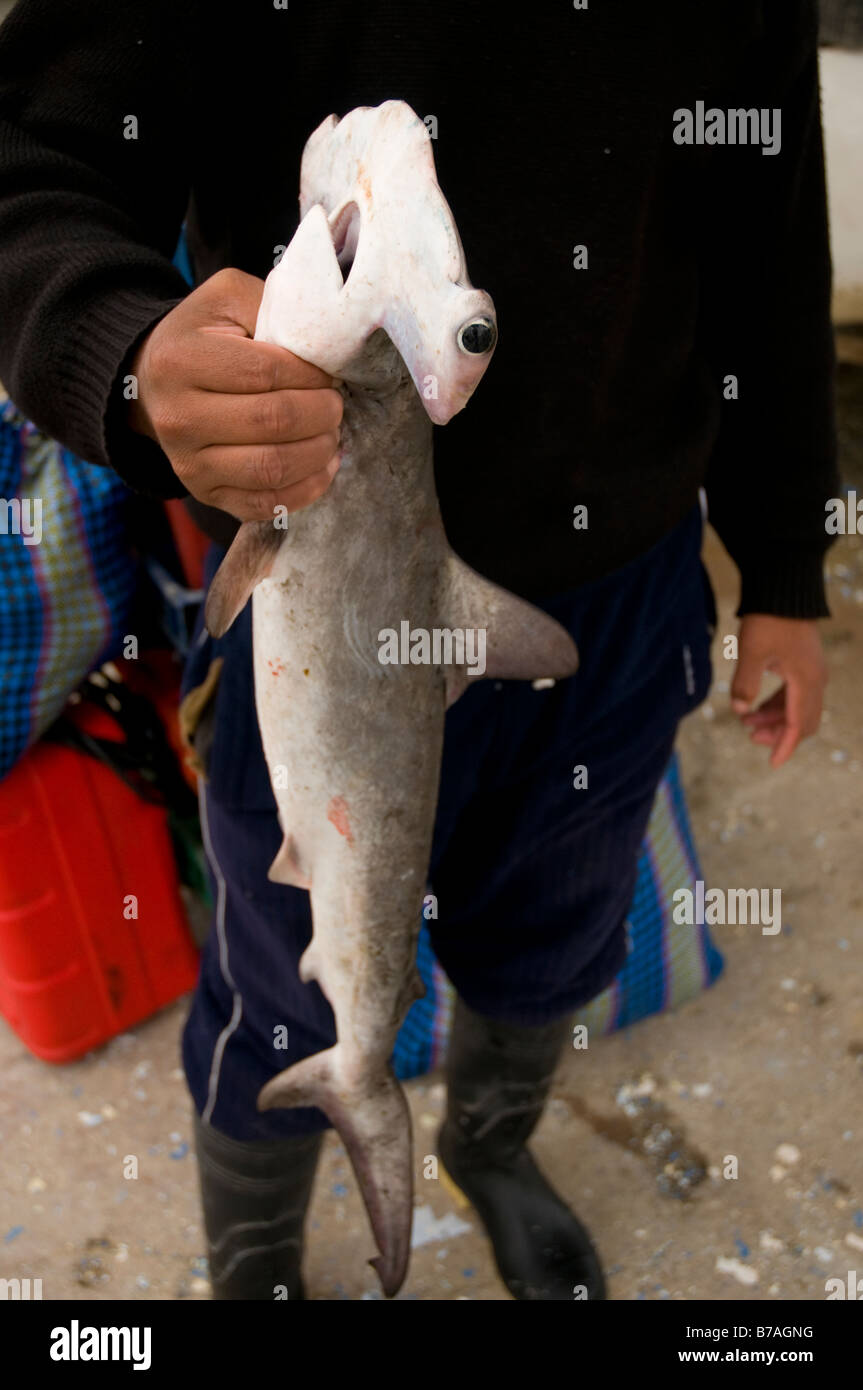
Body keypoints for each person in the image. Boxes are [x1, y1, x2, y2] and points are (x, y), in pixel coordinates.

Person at [0, 0, 837, 1300]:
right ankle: (260, 1243)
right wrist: (122, 352)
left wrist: (786, 565)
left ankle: (486, 1144)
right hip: (314, 624)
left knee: (557, 940)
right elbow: (32, 169)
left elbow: (768, 235)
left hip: (606, 613)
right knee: (281, 971)